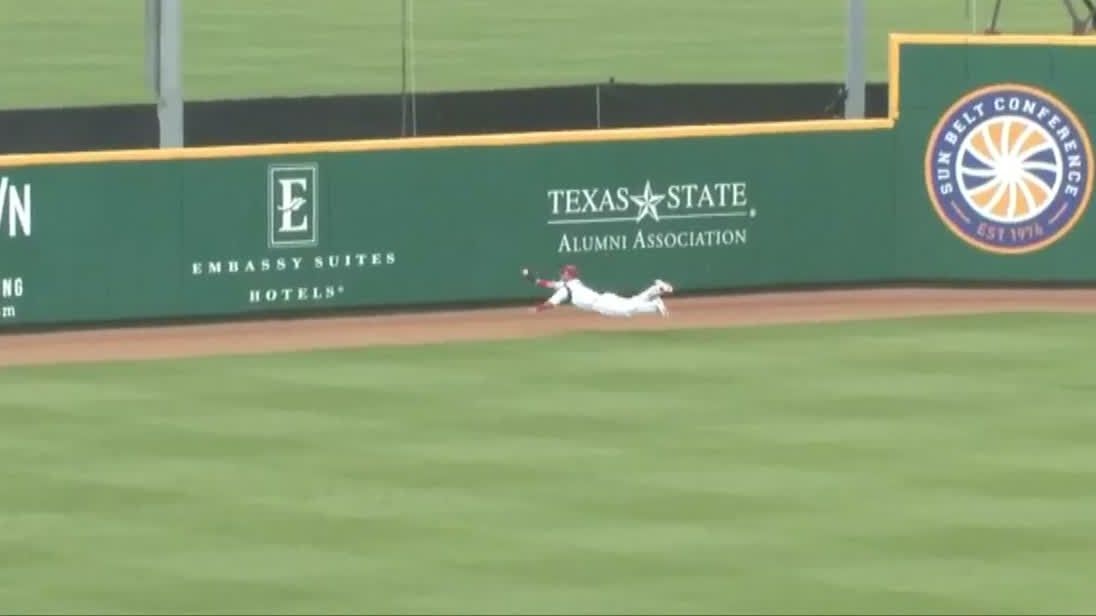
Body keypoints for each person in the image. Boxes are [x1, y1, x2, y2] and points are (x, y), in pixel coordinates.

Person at [523, 264, 673, 317]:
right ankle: (655, 298)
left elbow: (551, 304)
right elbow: (550, 284)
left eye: (564, 272)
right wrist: (535, 280)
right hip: (602, 302)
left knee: (629, 308)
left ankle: (656, 297)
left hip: (602, 303)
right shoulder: (571, 284)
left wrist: (536, 309)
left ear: (569, 275)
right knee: (631, 306)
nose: (561, 274)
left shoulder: (566, 289)